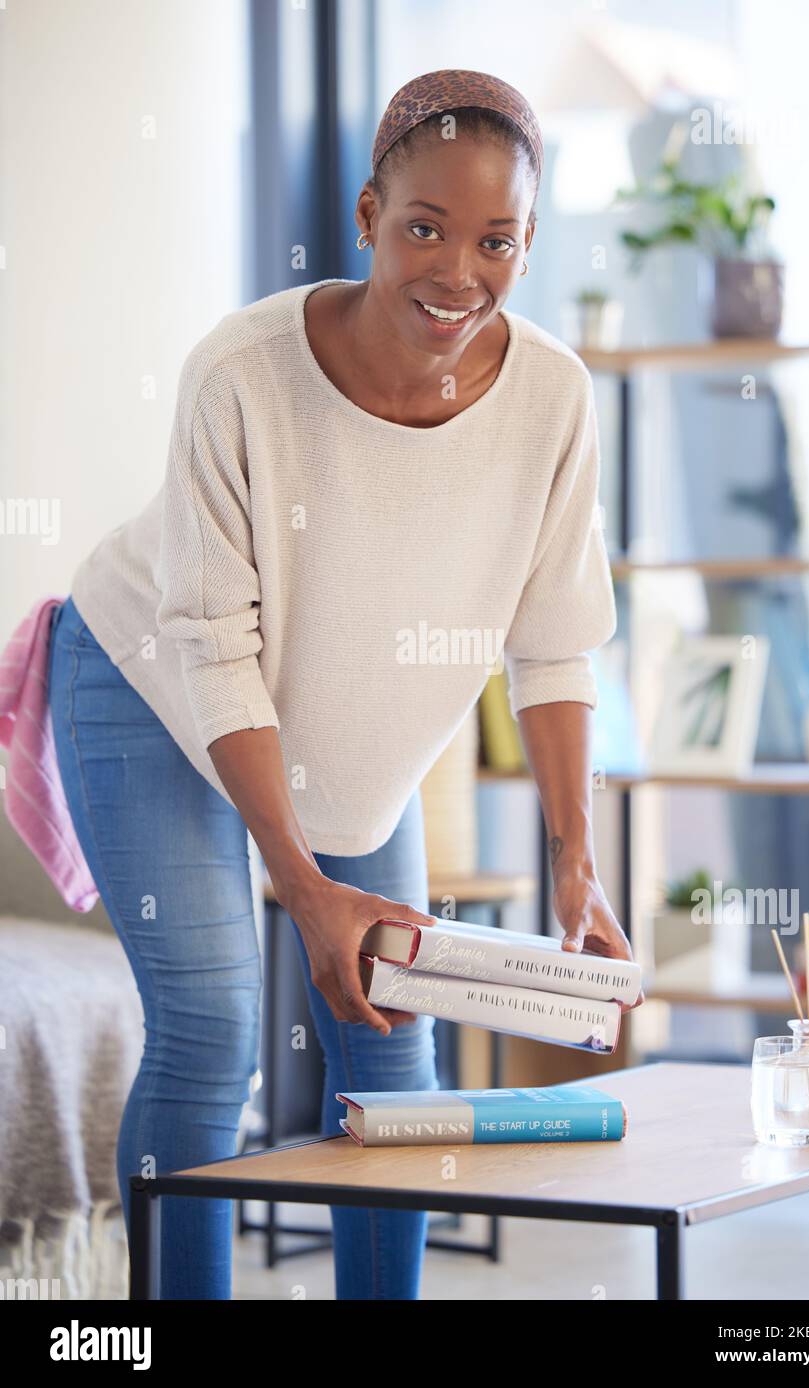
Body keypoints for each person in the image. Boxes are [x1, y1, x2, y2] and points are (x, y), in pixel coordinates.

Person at [47, 68, 641, 1302]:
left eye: (497, 240)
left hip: (345, 730)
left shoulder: (554, 402)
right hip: (153, 684)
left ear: (529, 244)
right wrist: (302, 881)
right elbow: (210, 642)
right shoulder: (245, 372)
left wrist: (576, 854)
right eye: (426, 227)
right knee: (215, 1033)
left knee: (391, 1033)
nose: (458, 273)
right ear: (369, 214)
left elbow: (554, 638)